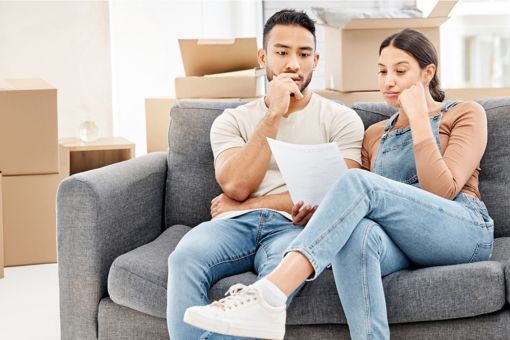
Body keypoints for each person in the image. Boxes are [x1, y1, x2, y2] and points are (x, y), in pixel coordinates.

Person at [183, 28, 495, 340]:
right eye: (382, 71)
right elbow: (364, 208)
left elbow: (442, 191)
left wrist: (419, 120)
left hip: (462, 230)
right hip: (403, 240)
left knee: (359, 181)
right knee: (355, 235)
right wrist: (322, 211)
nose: (389, 81)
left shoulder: (464, 113)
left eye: (400, 71)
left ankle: (271, 294)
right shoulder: (374, 134)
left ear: (428, 73)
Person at [166, 9, 364, 339]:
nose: (293, 65)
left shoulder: (341, 120)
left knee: (275, 282)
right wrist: (273, 113)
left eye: (303, 54)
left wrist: (244, 205)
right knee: (184, 258)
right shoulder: (232, 120)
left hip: (295, 227)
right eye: (282, 52)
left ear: (316, 60)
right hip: (233, 228)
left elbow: (341, 194)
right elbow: (235, 184)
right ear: (263, 56)